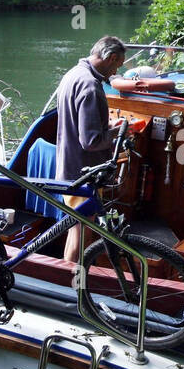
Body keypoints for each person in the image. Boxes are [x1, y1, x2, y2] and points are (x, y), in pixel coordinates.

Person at [55, 35, 127, 261]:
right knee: (81, 236)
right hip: (83, 174)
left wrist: (104, 125)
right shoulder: (91, 86)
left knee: (75, 230)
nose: (115, 72)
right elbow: (91, 141)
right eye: (117, 65)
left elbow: (78, 123)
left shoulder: (73, 74)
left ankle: (65, 278)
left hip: (68, 167)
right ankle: (70, 288)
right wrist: (118, 131)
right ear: (111, 57)